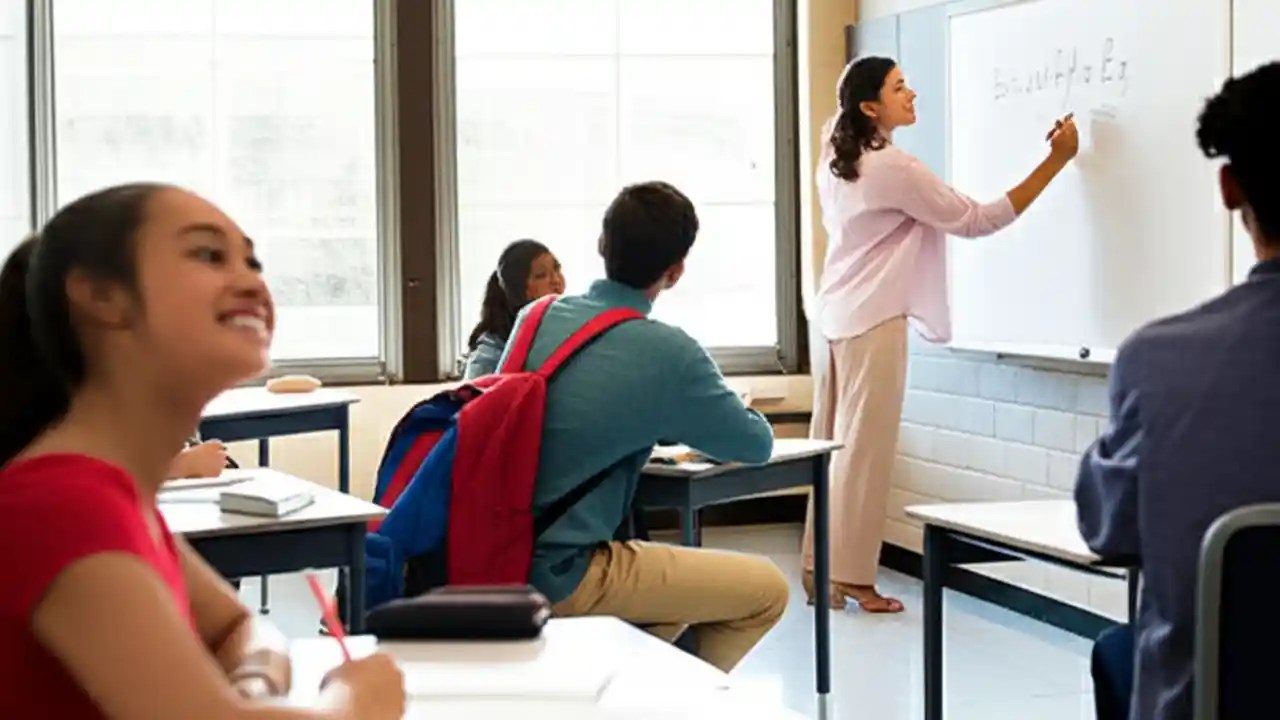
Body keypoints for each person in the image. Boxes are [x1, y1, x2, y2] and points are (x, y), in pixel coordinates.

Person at [0, 183, 405, 719]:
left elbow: (241, 625)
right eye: (209, 255)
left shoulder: (119, 501)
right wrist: (355, 700)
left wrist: (252, 687)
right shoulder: (59, 507)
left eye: (252, 261)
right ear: (102, 296)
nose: (251, 282)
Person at [801, 55, 1078, 612]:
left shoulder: (837, 148)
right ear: (870, 107)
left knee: (831, 447)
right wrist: (1057, 161)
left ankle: (819, 566)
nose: (912, 95)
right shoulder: (894, 168)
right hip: (873, 318)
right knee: (866, 452)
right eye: (898, 88)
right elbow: (978, 219)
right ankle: (853, 577)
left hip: (834, 315)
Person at [498, 181, 787, 672]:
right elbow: (755, 444)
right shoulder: (668, 352)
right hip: (562, 574)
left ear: (601, 246)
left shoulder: (534, 316)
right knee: (767, 591)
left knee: (660, 618)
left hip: (490, 555)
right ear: (674, 273)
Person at [1077, 62, 1280, 720]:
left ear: (1229, 187)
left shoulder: (1158, 363)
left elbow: (1108, 531)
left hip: (1212, 700)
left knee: (1120, 651)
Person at [463, 239, 565, 379]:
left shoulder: (562, 324)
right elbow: (475, 396)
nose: (556, 280)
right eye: (541, 275)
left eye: (557, 268)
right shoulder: (491, 350)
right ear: (519, 289)